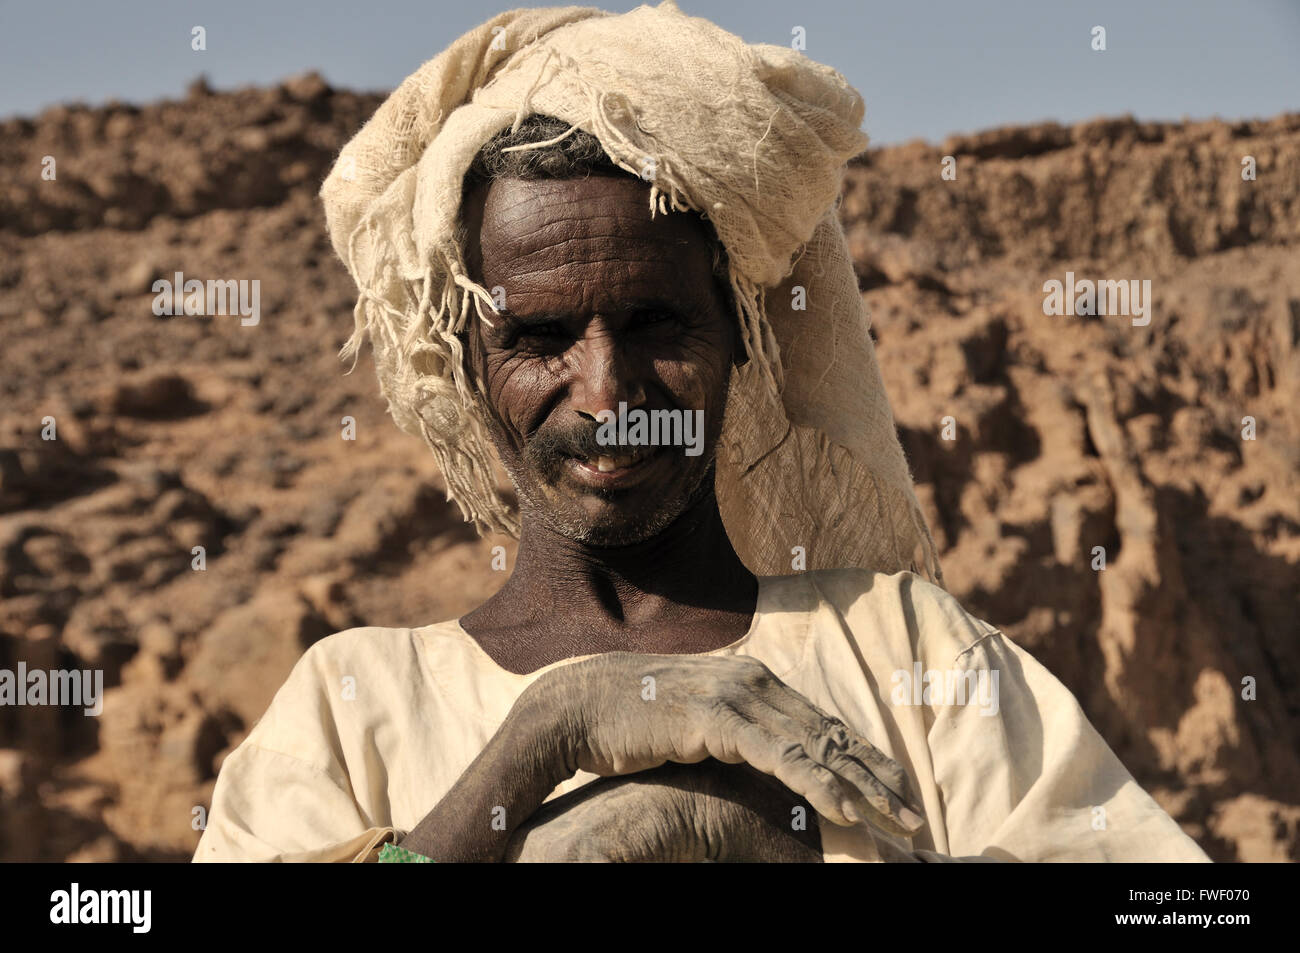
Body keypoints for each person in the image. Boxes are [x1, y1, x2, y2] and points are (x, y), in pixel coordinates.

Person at [194, 1, 1208, 863]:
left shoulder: (906, 647)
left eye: (654, 323)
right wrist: (553, 740)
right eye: (540, 337)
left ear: (741, 333)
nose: (607, 392)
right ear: (469, 367)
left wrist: (743, 828)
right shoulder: (350, 704)